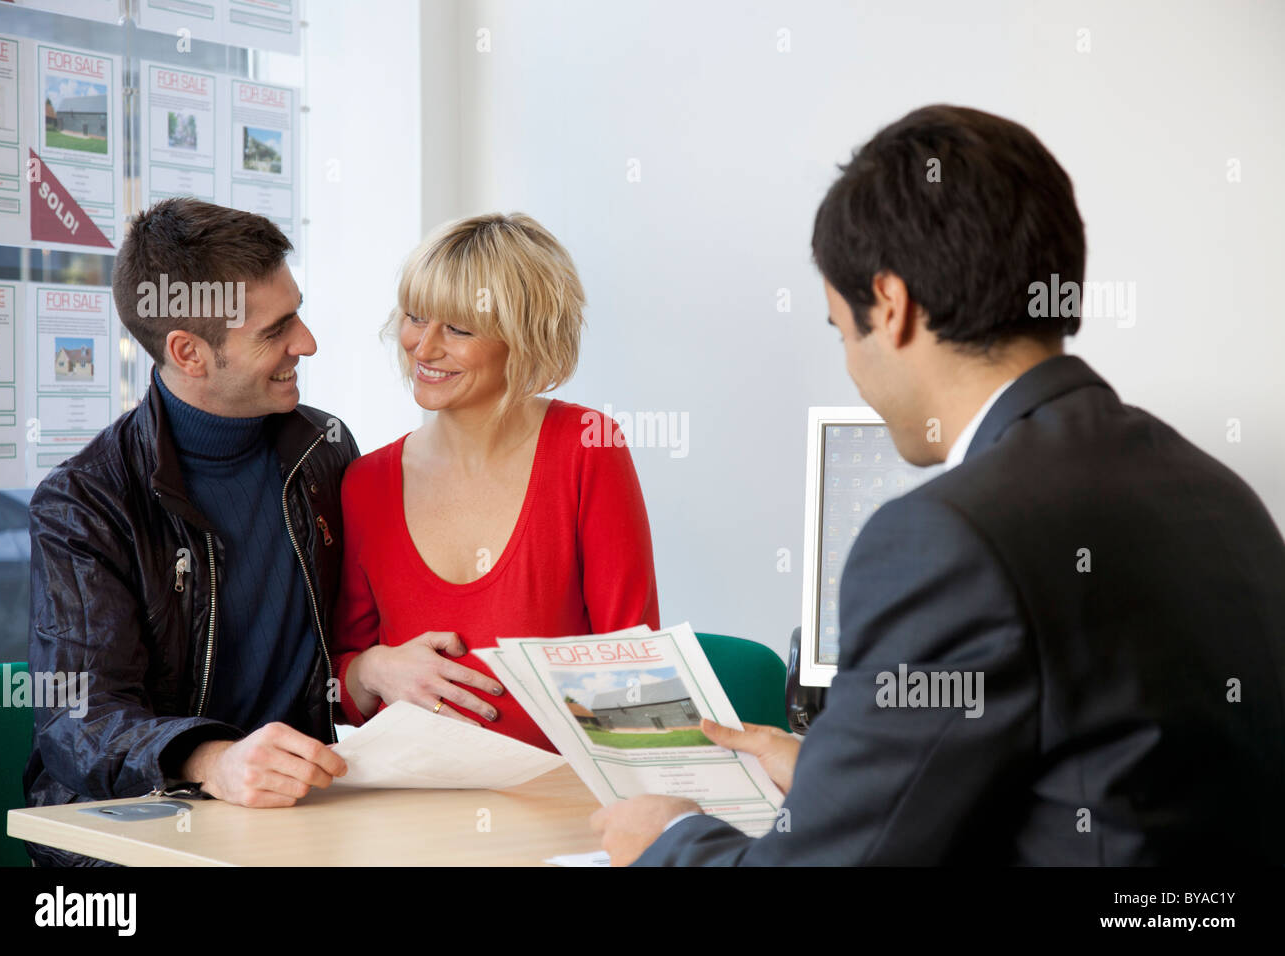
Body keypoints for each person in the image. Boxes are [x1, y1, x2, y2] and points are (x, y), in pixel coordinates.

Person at [592, 104, 1285, 865]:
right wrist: (839, 783)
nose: (852, 367)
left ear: (890, 307)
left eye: (840, 330)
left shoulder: (946, 537)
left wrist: (668, 840)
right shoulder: (1219, 494)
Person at [24, 198, 355, 866]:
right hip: (137, 837)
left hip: (297, 824)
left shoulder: (325, 449)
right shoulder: (84, 501)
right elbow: (75, 718)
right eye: (277, 329)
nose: (308, 342)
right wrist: (215, 760)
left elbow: (344, 642)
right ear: (189, 353)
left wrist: (372, 671)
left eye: (298, 310)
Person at [331, 213, 659, 752]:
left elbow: (631, 658)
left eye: (458, 329)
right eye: (416, 317)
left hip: (557, 801)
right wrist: (372, 669)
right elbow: (343, 682)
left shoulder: (588, 447)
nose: (424, 346)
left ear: (523, 338)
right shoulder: (365, 482)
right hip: (410, 797)